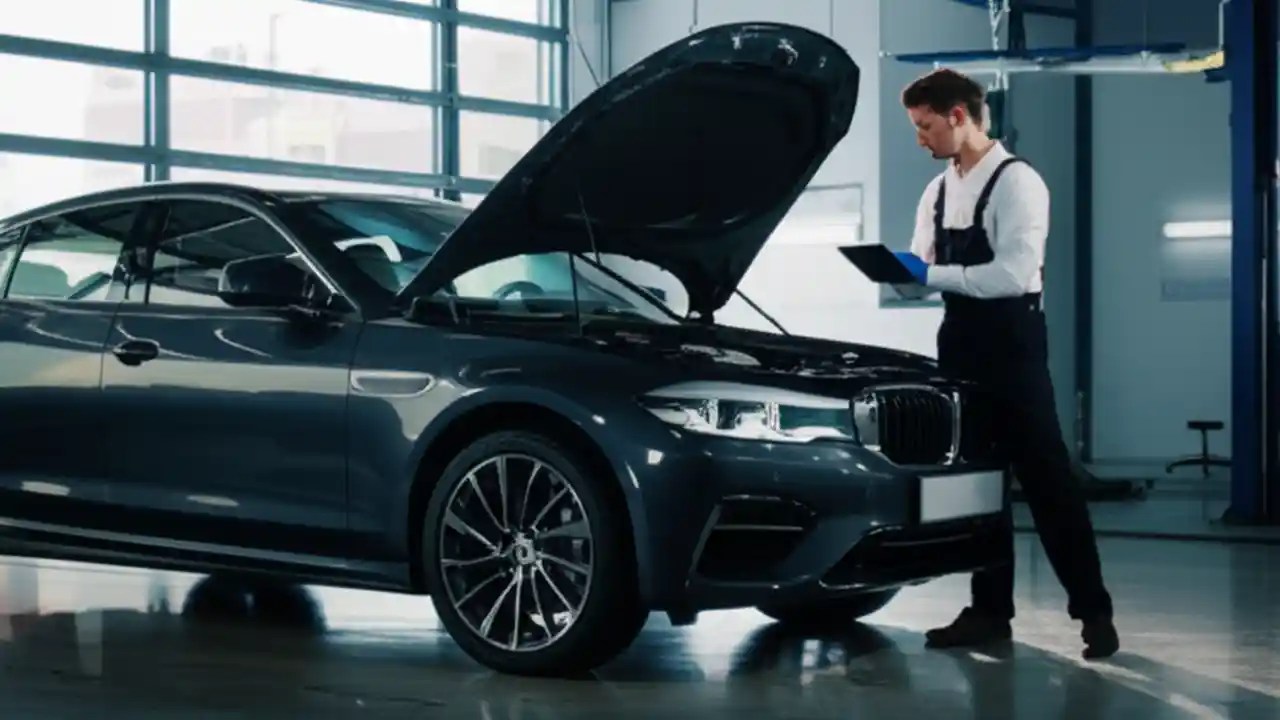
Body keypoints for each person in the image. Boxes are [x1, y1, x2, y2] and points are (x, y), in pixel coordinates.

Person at [892, 68, 1119, 661]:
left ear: (959, 116)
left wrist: (929, 274)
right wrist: (896, 273)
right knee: (980, 487)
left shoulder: (1019, 184)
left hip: (1013, 346)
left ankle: (1093, 612)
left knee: (1048, 483)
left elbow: (1013, 276)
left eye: (925, 126)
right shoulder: (936, 191)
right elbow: (922, 268)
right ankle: (990, 611)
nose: (920, 139)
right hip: (959, 345)